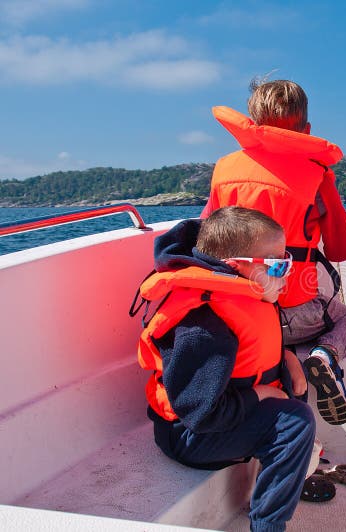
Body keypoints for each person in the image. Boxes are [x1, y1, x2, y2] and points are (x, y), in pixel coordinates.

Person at [136, 206, 316, 532]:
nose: (287, 273)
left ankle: (285, 478)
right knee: (295, 423)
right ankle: (268, 525)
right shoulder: (205, 327)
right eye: (278, 265)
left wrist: (287, 359)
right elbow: (200, 415)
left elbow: (250, 359)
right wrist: (259, 395)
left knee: (293, 387)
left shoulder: (244, 295)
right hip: (189, 436)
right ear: (237, 267)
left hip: (221, 414)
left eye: (287, 261)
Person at [201, 78, 346, 426]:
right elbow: (342, 249)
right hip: (294, 315)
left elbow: (204, 242)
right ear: (307, 130)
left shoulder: (224, 168)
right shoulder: (317, 175)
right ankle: (324, 355)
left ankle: (280, 356)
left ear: (254, 123)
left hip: (234, 314)